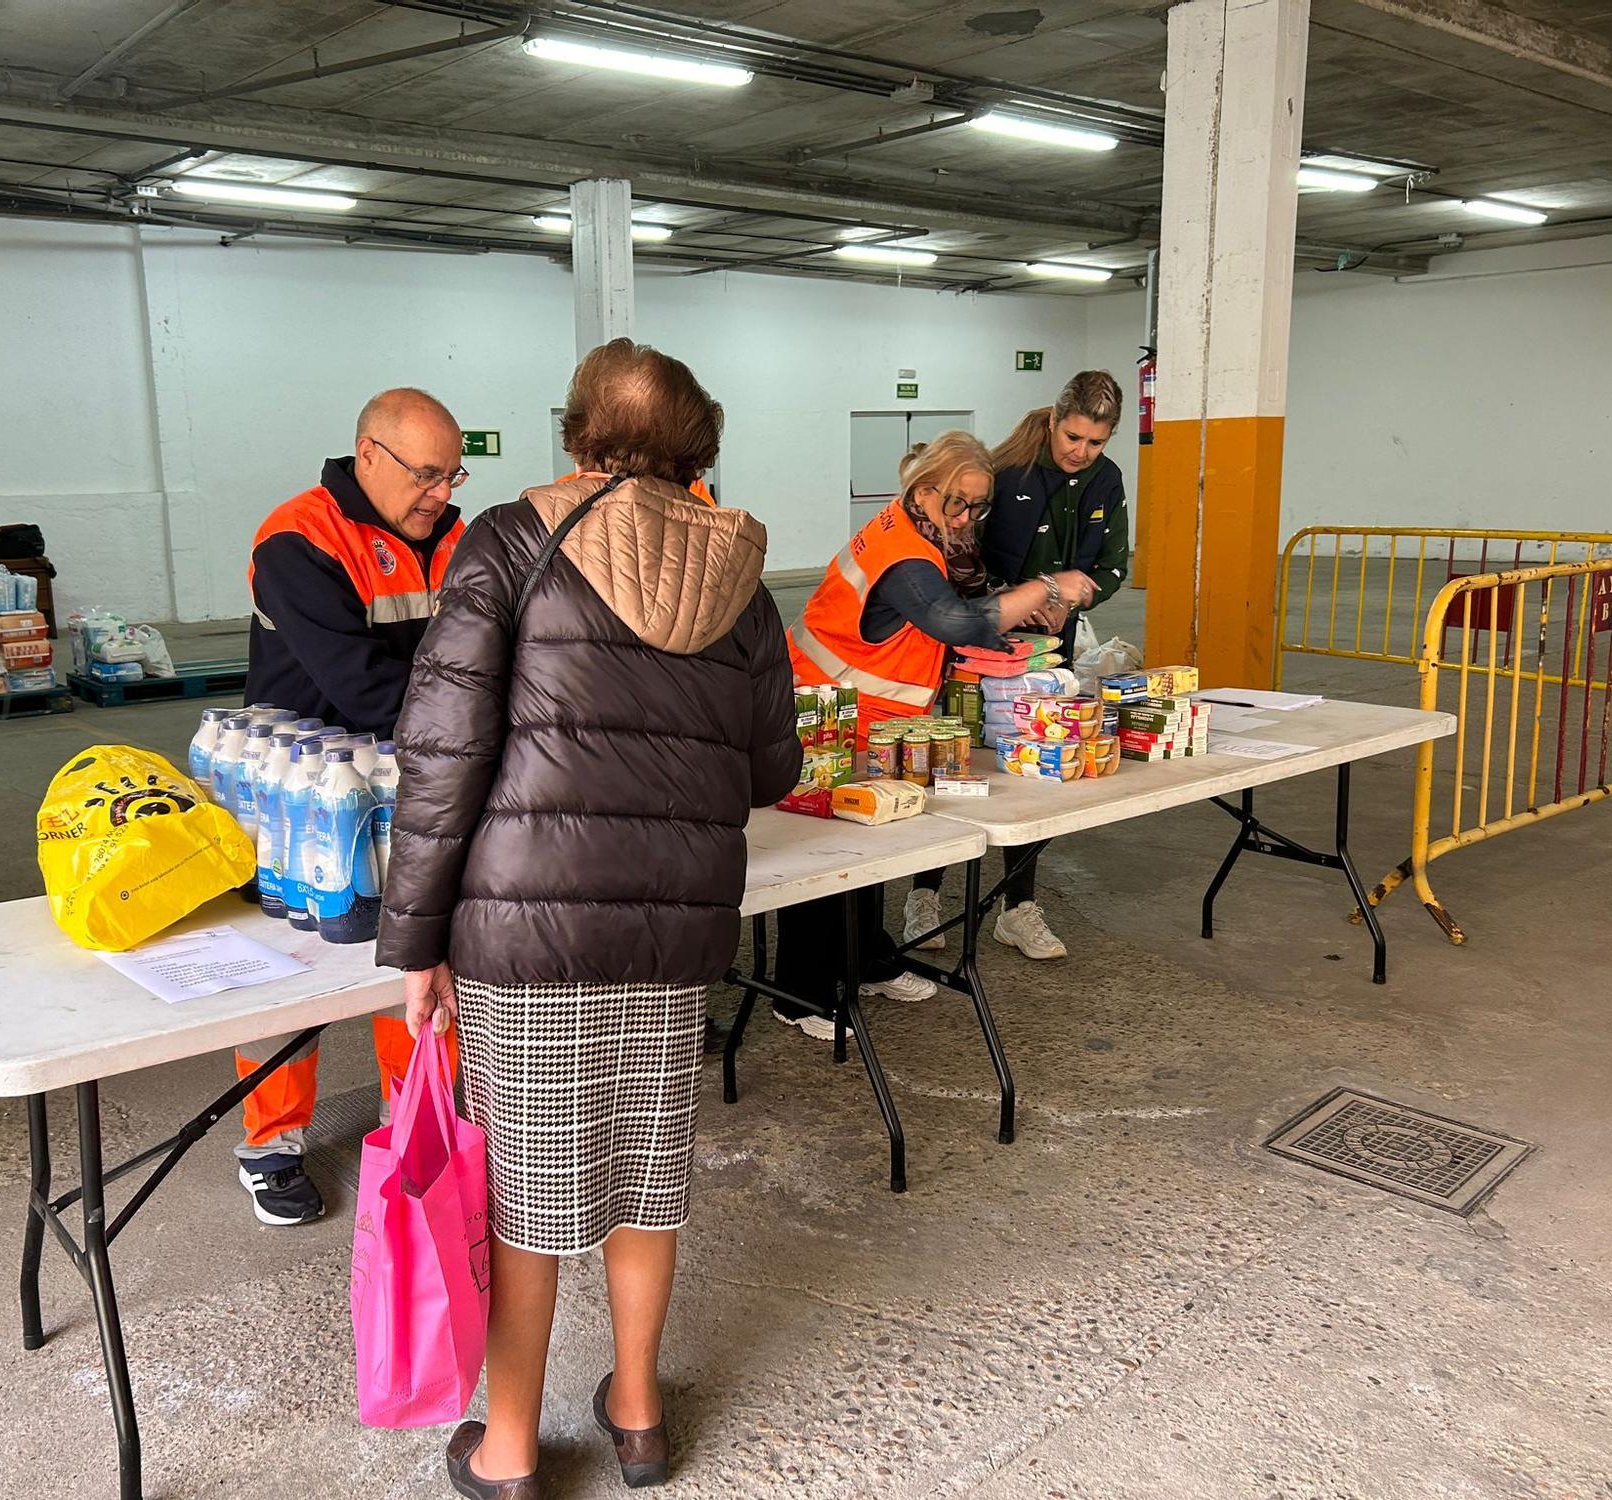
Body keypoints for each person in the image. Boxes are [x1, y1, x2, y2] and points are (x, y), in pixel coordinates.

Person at [376, 338, 801, 1499]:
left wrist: (414, 942)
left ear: (575, 432)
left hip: (527, 931)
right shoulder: (742, 576)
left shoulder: (510, 541)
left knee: (529, 1192)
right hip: (675, 931)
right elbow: (771, 766)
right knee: (645, 1181)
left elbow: (443, 752)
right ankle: (637, 1409)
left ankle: (509, 1445)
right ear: (696, 442)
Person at [229, 388, 470, 1228]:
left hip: (410, 781)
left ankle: (412, 1125)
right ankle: (270, 1142)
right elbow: (362, 686)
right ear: (369, 454)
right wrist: (486, 710)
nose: (441, 493)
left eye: (451, 474)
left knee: (411, 957)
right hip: (298, 793)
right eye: (426, 475)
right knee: (290, 982)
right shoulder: (299, 538)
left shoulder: (455, 538)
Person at [776, 432, 1069, 1037]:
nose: (967, 519)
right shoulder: (905, 553)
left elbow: (946, 616)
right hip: (827, 716)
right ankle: (799, 991)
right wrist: (1044, 589)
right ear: (924, 490)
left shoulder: (921, 534)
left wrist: (1010, 621)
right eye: (957, 504)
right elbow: (948, 618)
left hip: (875, 720)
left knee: (873, 846)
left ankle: (867, 961)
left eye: (978, 506)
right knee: (827, 858)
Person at [904, 370, 1131, 963]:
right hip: (978, 645)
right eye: (1073, 436)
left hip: (1050, 653)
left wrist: (1069, 601)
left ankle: (1018, 907)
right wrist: (1024, 598)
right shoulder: (1006, 475)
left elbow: (1112, 565)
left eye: (1095, 442)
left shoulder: (1107, 482)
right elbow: (963, 555)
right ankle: (924, 894)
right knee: (955, 762)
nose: (1080, 452)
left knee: (1037, 771)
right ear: (1054, 420)